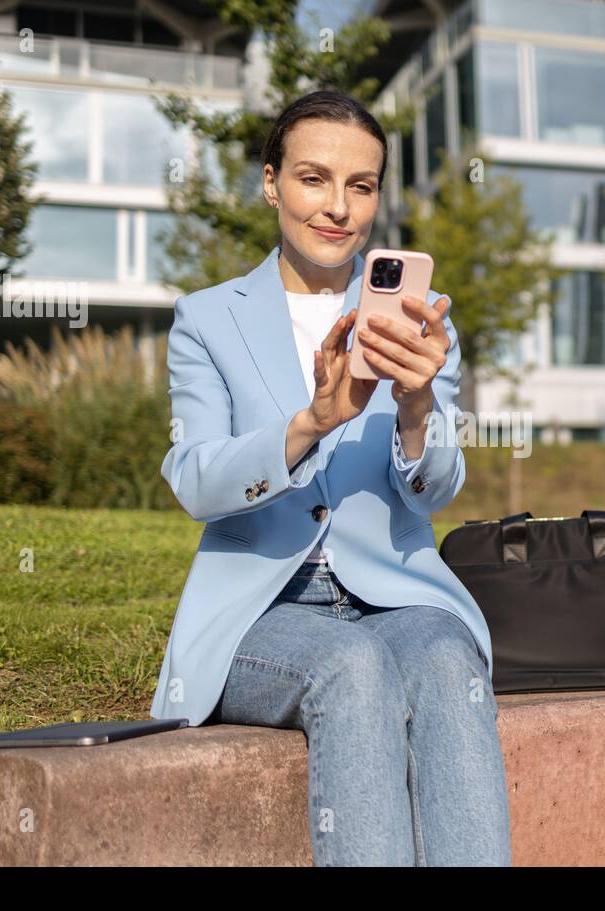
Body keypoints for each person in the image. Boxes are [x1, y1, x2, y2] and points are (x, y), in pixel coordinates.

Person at [148, 89, 512, 867]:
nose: (339, 208)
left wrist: (417, 406)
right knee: (351, 666)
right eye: (314, 179)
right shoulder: (209, 318)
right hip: (262, 610)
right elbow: (195, 479)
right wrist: (313, 421)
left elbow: (437, 489)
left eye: (362, 185)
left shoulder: (420, 316)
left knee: (449, 660)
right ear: (272, 181)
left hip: (398, 595)